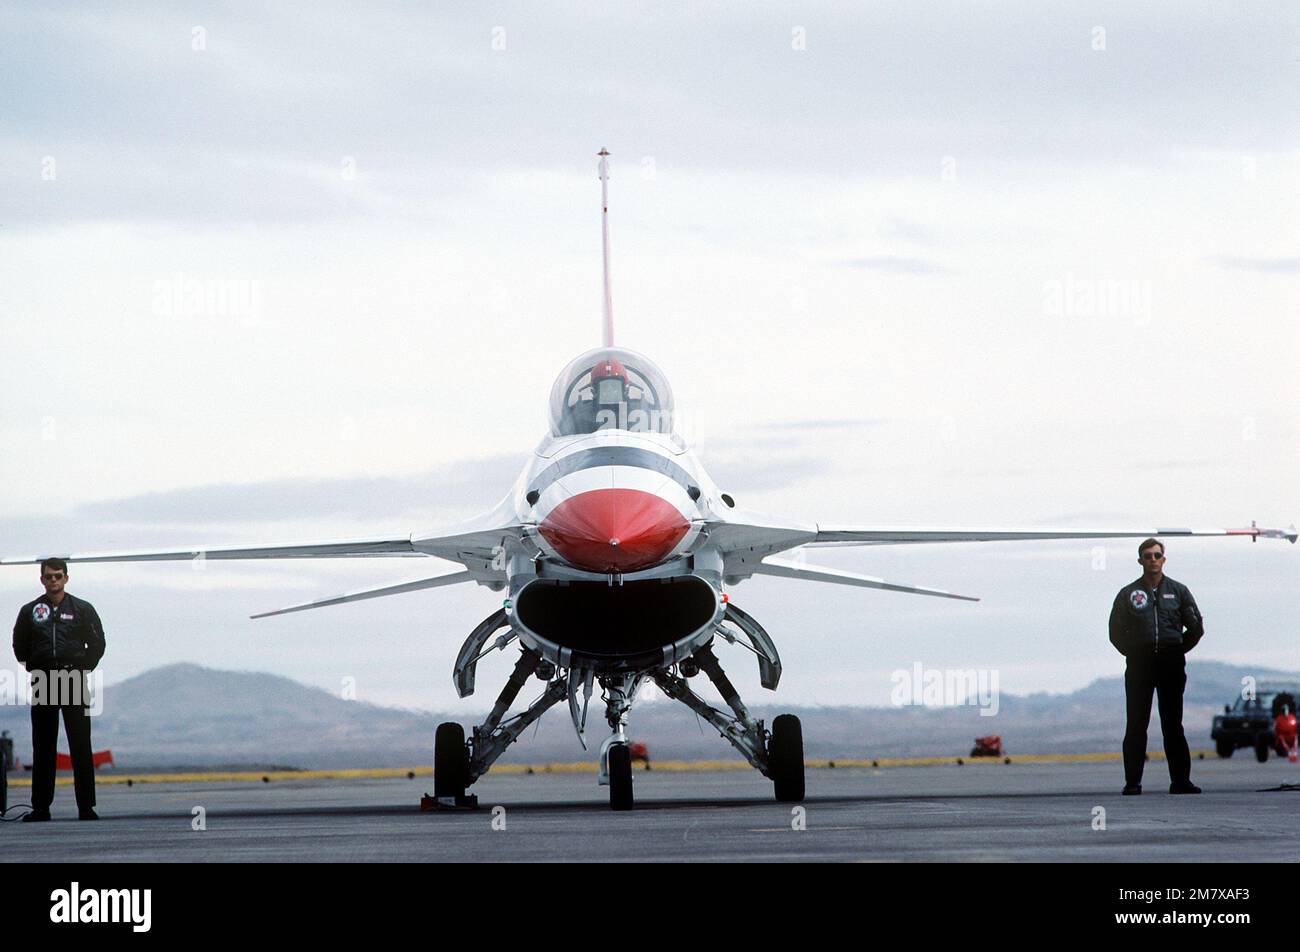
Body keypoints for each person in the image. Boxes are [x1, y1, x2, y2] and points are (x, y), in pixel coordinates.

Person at [11, 558, 105, 821]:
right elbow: (19, 644)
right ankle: (41, 807)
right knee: (43, 746)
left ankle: (86, 807)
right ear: (42, 579)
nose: (53, 580)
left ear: (66, 578)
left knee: (80, 745)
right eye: (49, 576)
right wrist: (34, 666)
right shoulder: (30, 611)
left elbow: (98, 643)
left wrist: (81, 667)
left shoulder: (82, 609)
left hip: (73, 679)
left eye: (58, 575)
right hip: (43, 680)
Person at [1108, 538, 1203, 796]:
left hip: (1171, 664)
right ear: (1140, 560)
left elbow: (1195, 627)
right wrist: (1136, 651)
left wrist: (1176, 649)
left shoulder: (1179, 591)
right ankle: (1133, 782)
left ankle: (1181, 781)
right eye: (1147, 555)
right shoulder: (1128, 594)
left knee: (1173, 724)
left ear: (1164, 559)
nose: (1152, 559)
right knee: (1136, 724)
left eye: (1157, 555)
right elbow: (1115, 631)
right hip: (1140, 665)